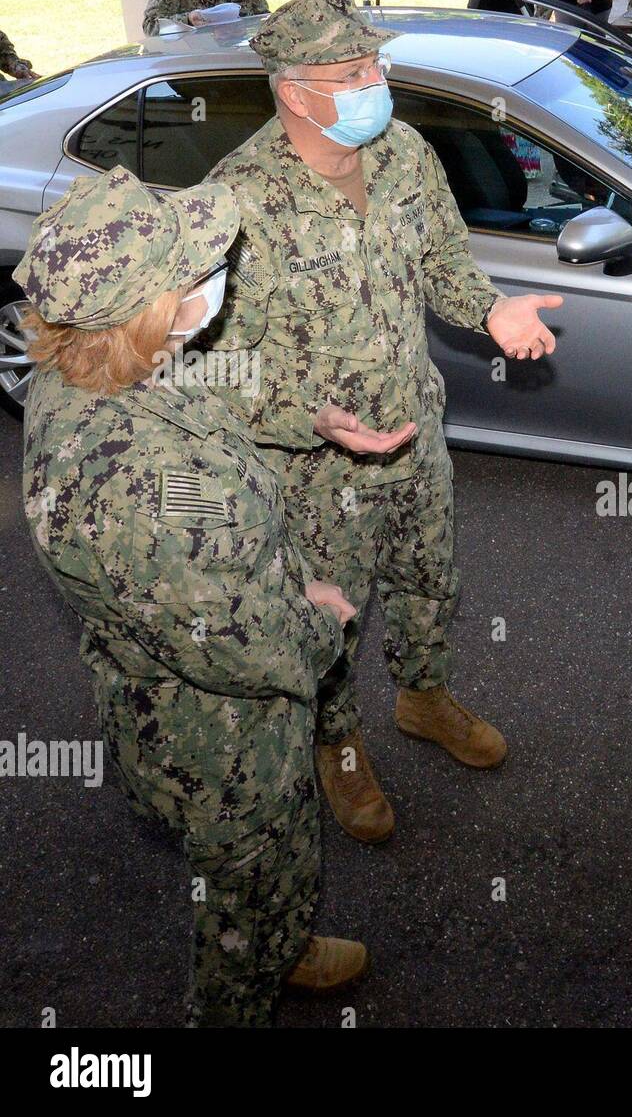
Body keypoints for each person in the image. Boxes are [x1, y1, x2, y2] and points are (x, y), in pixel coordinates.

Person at [203, 0, 563, 845]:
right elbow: (210, 363)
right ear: (295, 91)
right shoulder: (236, 200)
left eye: (376, 63)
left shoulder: (403, 151)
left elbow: (444, 263)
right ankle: (338, 744)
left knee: (429, 579)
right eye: (354, 70)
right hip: (315, 467)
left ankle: (422, 697)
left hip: (414, 432)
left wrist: (490, 311)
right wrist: (311, 417)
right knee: (330, 611)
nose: (377, 82)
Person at [18, 165, 364, 1026]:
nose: (215, 279)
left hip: (198, 695)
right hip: (223, 744)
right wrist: (323, 621)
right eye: (192, 274)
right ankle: (252, 971)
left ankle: (284, 941)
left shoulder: (98, 370)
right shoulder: (142, 487)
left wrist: (307, 419)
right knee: (245, 893)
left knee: (270, 873)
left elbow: (214, 408)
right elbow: (247, 646)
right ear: (149, 307)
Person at [143, 0, 270, 36]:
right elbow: (150, 26)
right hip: (196, 67)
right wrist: (188, 20)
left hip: (236, 62)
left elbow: (265, 21)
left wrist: (245, 28)